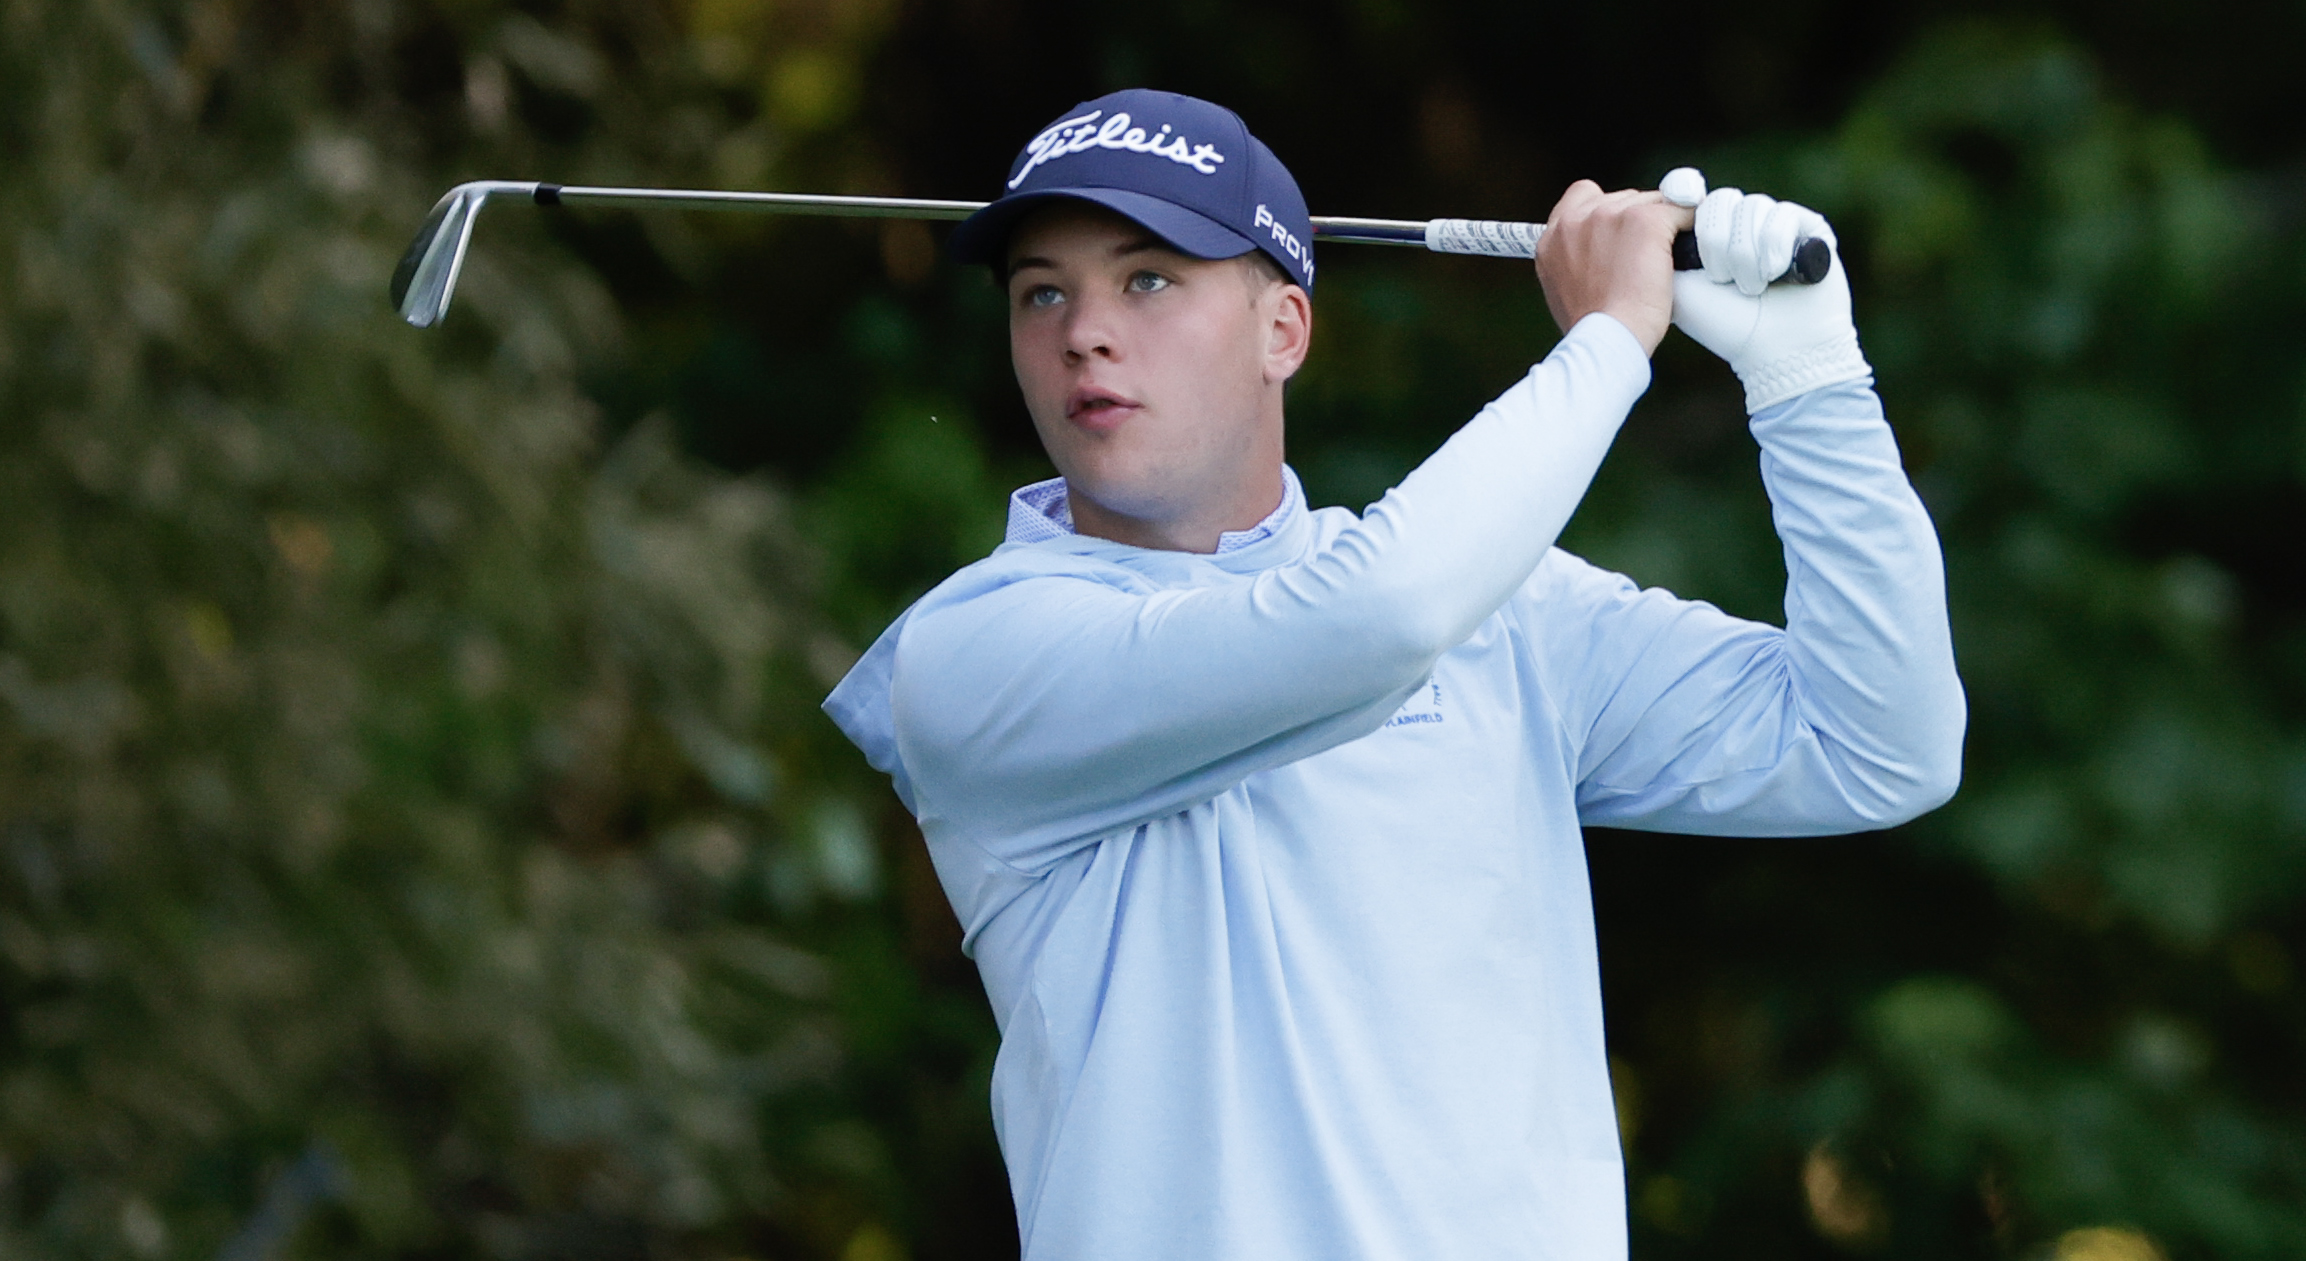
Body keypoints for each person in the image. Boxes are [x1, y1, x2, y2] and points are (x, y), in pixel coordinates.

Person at [825, 88, 1964, 1261]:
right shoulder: (974, 654)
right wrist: (1607, 341)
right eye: (1040, 291)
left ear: (1283, 329)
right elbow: (1371, 618)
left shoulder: (1507, 614)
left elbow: (1879, 747)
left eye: (1148, 278)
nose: (1083, 331)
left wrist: (1811, 381)